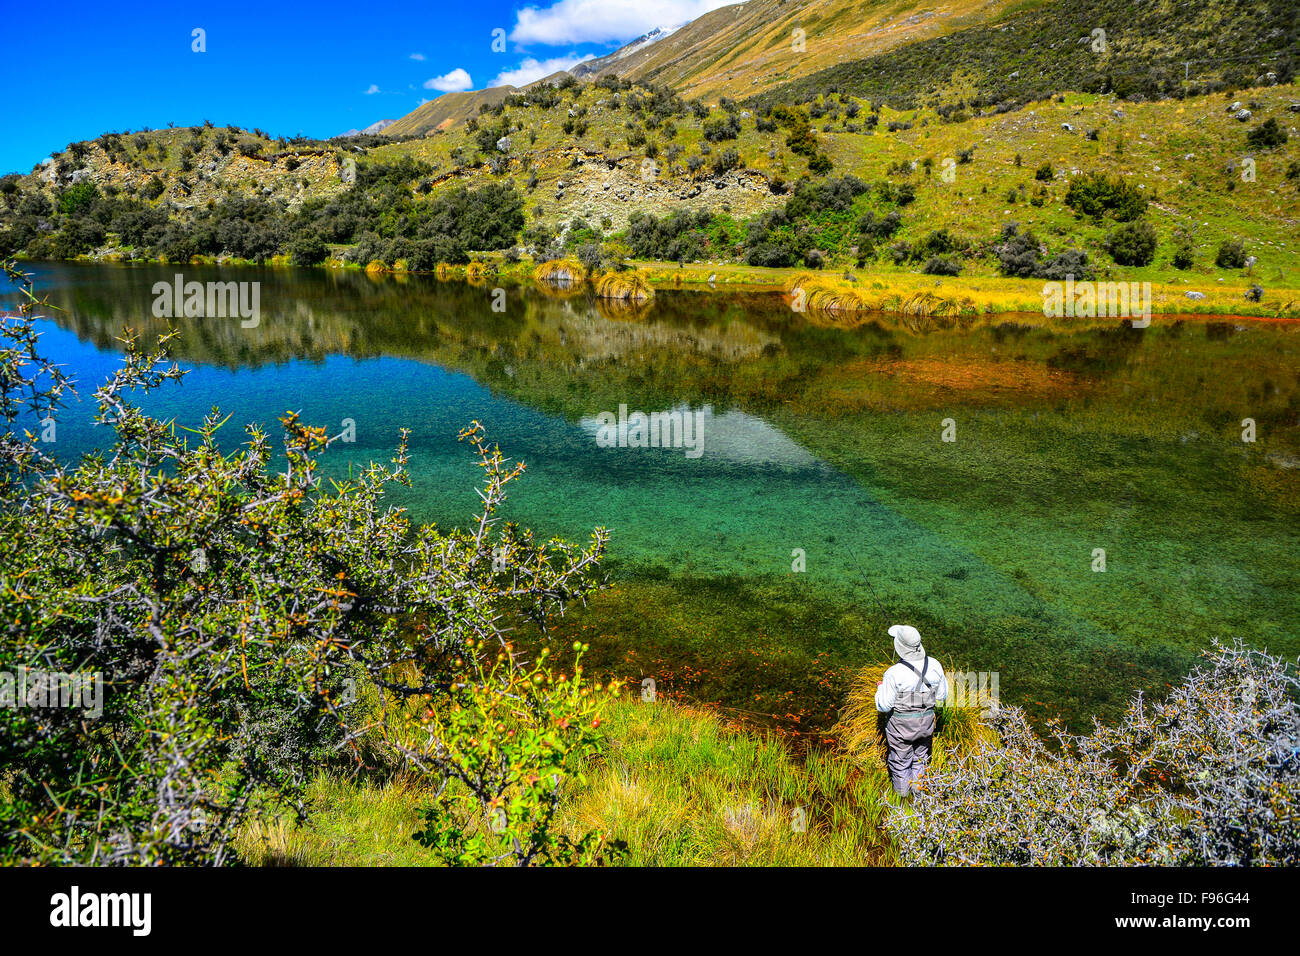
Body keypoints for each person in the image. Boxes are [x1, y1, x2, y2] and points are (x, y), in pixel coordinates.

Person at [875, 624, 948, 797]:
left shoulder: (894, 672)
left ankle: (902, 800)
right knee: (921, 759)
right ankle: (918, 797)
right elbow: (942, 696)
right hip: (927, 723)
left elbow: (883, 706)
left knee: (900, 761)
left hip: (901, 727)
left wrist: (880, 688)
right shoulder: (935, 665)